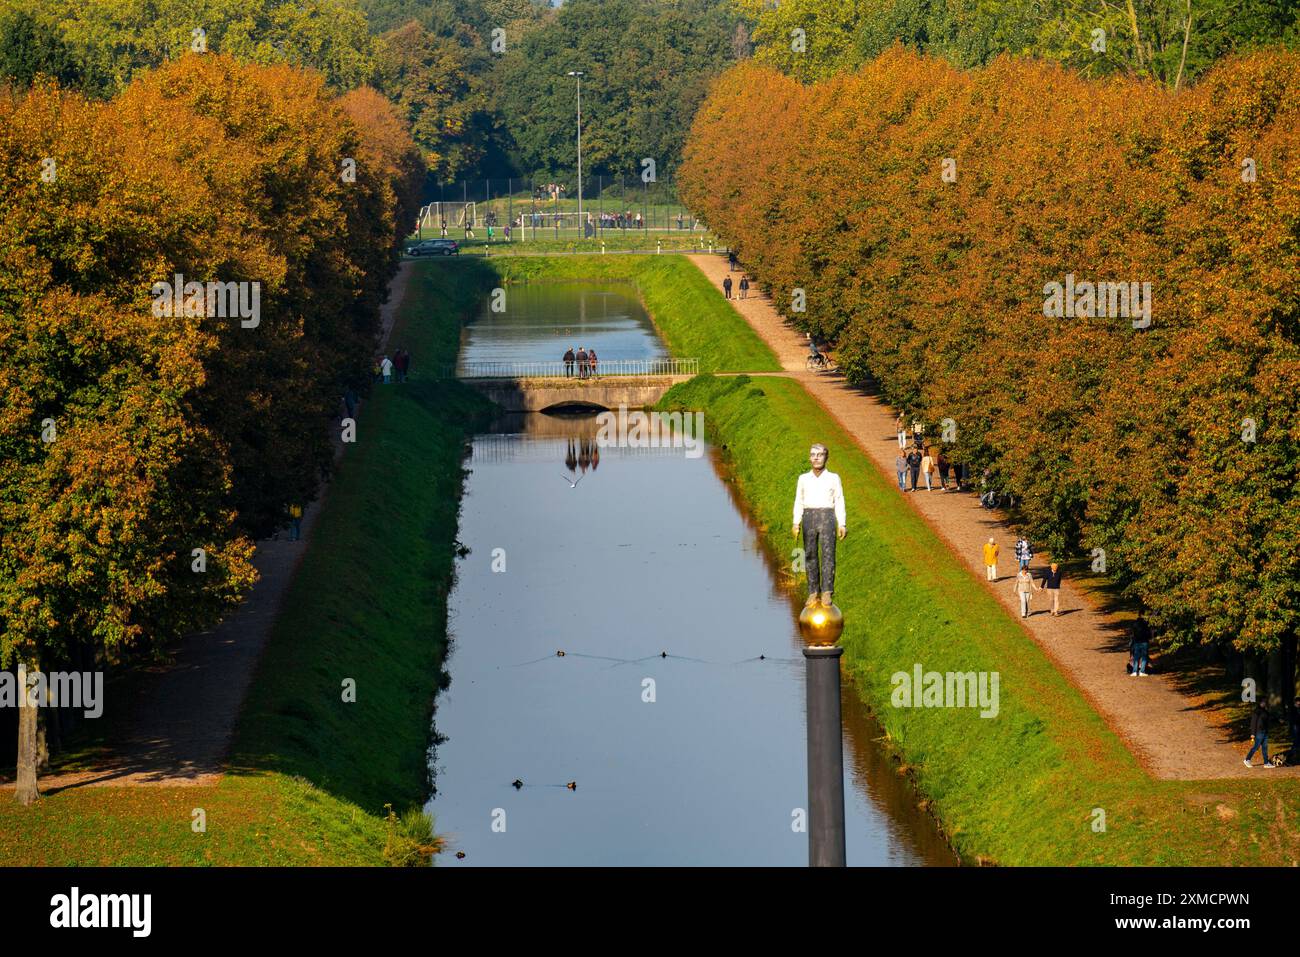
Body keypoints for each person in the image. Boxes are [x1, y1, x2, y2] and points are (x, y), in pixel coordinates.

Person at [792, 443, 847, 607]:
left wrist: (842, 523)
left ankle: (827, 591)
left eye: (820, 455)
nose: (816, 458)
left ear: (826, 457)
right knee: (809, 554)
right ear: (809, 458)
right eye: (813, 455)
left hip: (827, 516)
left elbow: (839, 500)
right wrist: (796, 522)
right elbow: (798, 501)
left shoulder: (833, 478)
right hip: (809, 516)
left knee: (828, 554)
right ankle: (812, 591)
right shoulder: (803, 479)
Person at [1245, 701, 1275, 768]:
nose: (1263, 703)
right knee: (1256, 747)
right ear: (1259, 703)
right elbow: (1253, 722)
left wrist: (1279, 720)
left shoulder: (1265, 711)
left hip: (1265, 732)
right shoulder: (1256, 711)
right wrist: (1252, 733)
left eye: (1264, 702)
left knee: (1265, 747)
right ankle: (1247, 759)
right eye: (1262, 702)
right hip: (1259, 732)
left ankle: (1266, 763)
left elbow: (1270, 719)